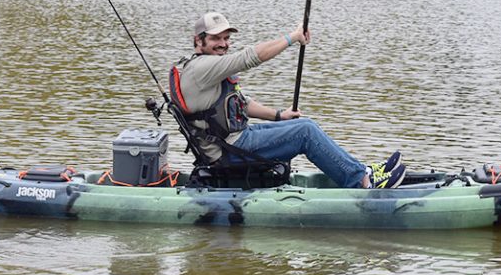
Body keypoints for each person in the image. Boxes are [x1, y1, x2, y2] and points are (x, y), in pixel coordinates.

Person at [169, 11, 406, 188]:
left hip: (235, 140)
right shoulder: (203, 68)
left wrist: (279, 116)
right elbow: (251, 56)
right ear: (198, 41)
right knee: (305, 131)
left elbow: (241, 103)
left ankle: (361, 170)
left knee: (302, 125)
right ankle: (362, 183)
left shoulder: (208, 68)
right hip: (229, 150)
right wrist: (292, 37)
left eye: (226, 38)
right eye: (215, 39)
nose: (223, 44)